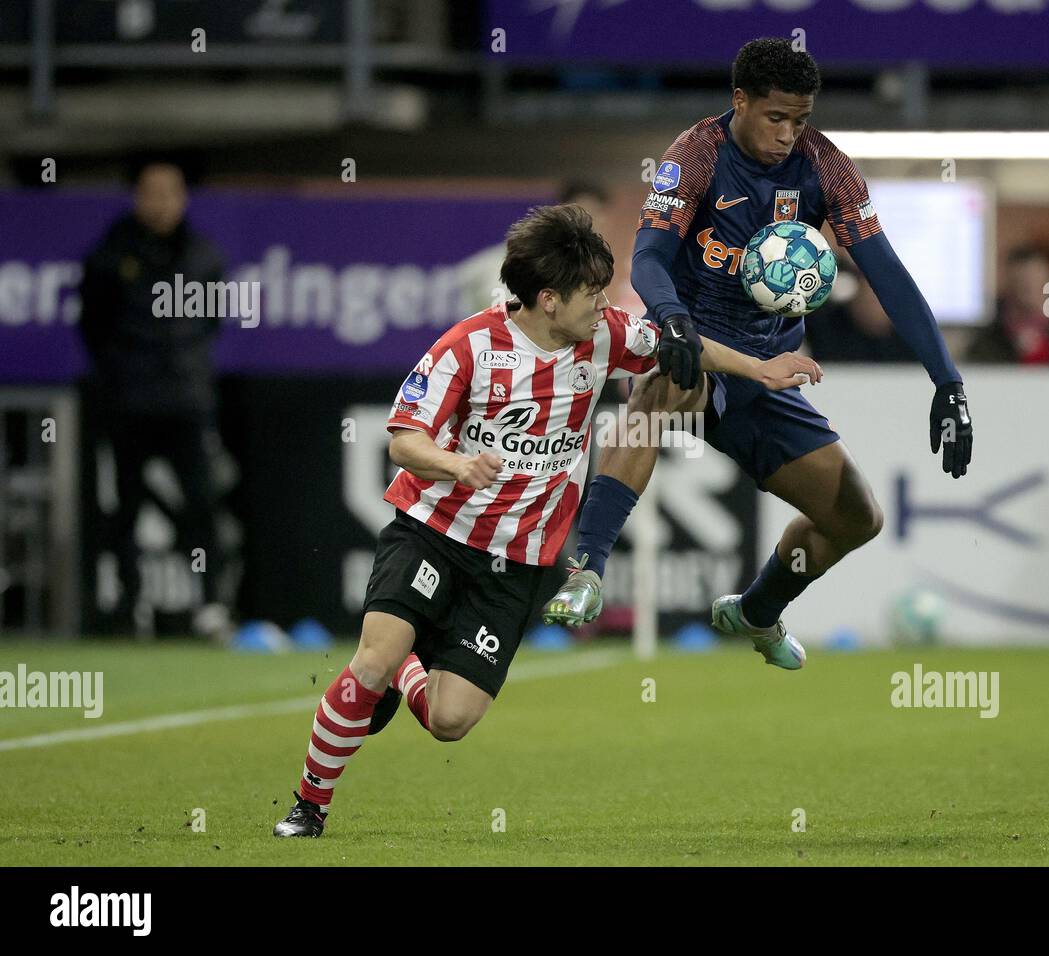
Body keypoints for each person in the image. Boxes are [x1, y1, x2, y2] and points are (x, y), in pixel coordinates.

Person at [273, 204, 820, 837]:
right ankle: (309, 806)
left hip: (522, 560)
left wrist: (760, 368)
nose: (604, 302)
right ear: (548, 299)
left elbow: (684, 347)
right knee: (371, 661)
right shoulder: (467, 348)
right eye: (592, 292)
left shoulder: (608, 335)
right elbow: (402, 441)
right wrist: (453, 464)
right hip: (434, 530)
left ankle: (409, 666)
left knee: (450, 721)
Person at [540, 38, 973, 669]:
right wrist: (673, 321)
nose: (789, 134)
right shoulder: (695, 156)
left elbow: (890, 277)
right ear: (739, 100)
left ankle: (756, 610)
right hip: (698, 348)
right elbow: (653, 257)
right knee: (659, 392)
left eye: (801, 120)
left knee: (857, 517)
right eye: (776, 118)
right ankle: (588, 569)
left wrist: (948, 380)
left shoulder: (827, 170)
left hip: (769, 375)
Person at [77, 161, 231, 639]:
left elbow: (211, 324)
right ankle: (128, 602)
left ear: (183, 197)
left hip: (185, 403)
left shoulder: (204, 256)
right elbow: (93, 325)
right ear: (137, 197)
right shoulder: (110, 255)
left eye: (170, 192)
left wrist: (183, 371)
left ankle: (209, 605)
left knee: (201, 503)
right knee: (124, 507)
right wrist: (123, 374)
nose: (160, 202)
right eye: (151, 192)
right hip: (128, 404)